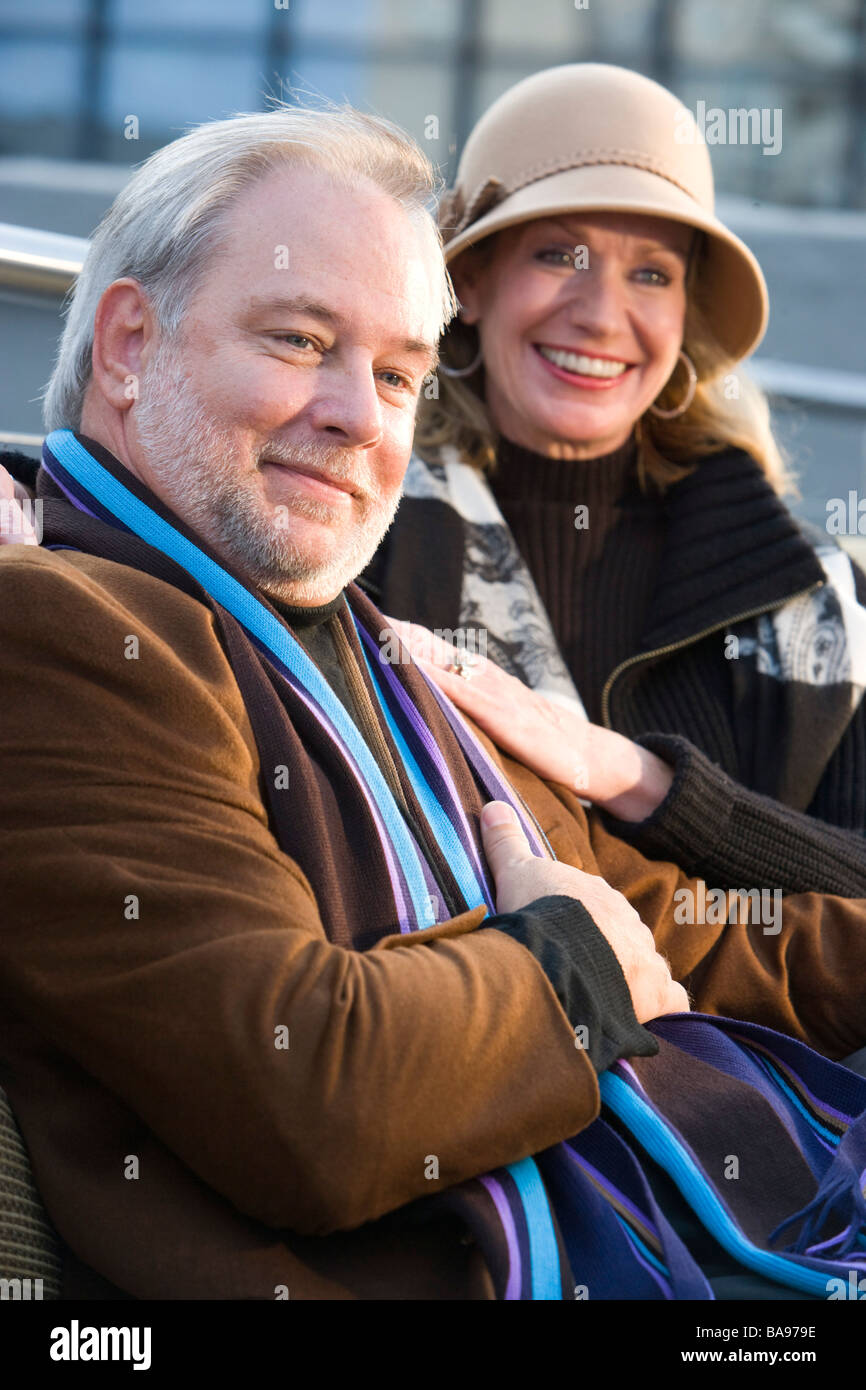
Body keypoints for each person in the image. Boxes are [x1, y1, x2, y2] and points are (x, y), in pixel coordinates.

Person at [1, 104, 866, 1303]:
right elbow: (313, 1092)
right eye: (302, 340)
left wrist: (603, 923)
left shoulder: (382, 648)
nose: (361, 414)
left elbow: (672, 923)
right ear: (129, 345)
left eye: (400, 371)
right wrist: (573, 967)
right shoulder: (63, 630)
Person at [360, 63, 866, 888]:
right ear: (472, 283)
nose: (601, 314)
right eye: (561, 254)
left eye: (652, 274)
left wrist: (635, 778)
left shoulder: (816, 592)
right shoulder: (356, 532)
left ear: (684, 313)